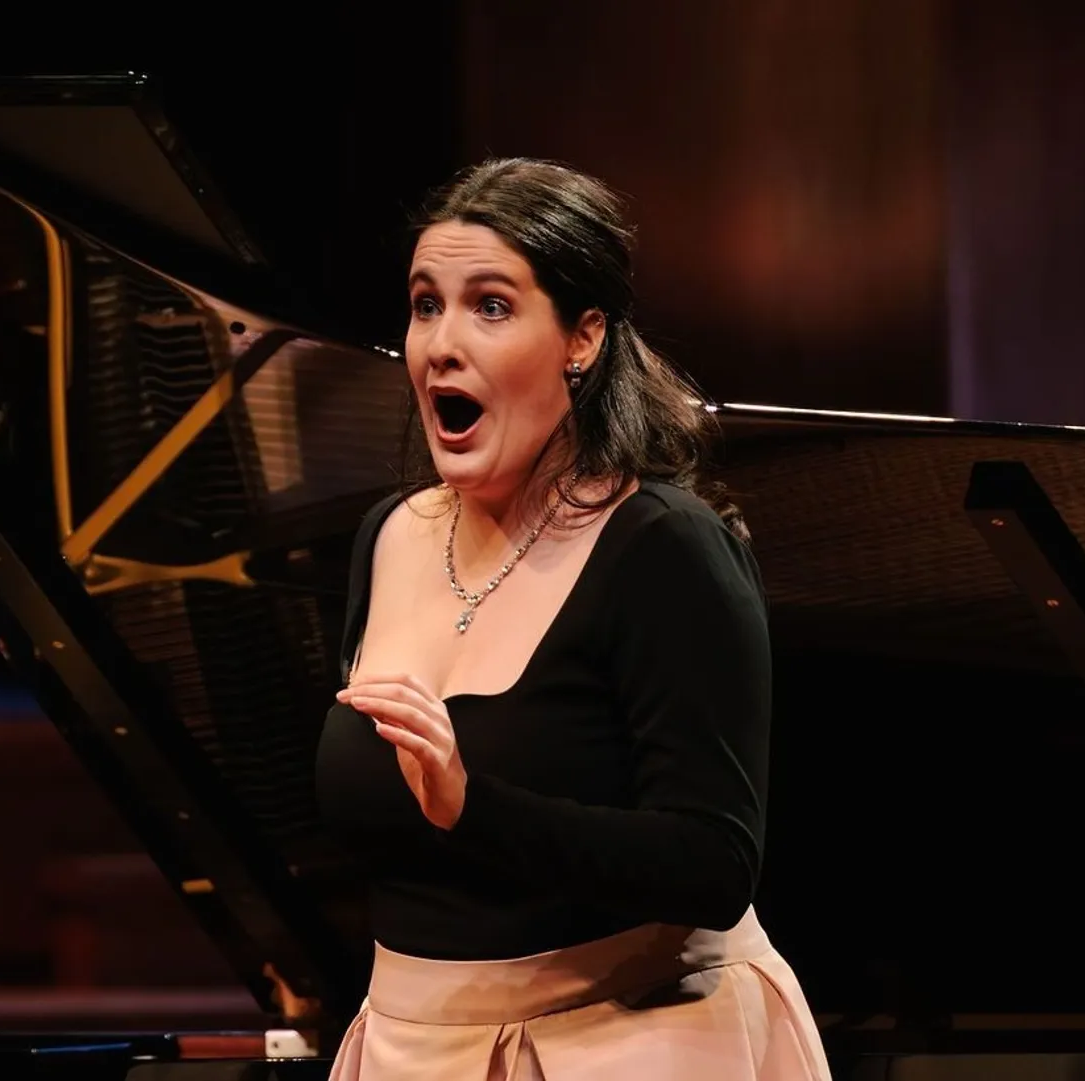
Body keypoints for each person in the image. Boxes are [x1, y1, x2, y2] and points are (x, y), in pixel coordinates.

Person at [314, 157, 831, 1079]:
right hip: (408, 1049)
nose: (441, 344)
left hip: (632, 1044)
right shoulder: (387, 537)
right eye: (426, 305)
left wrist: (471, 806)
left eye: (492, 306)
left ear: (582, 338)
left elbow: (714, 862)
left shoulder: (664, 548)